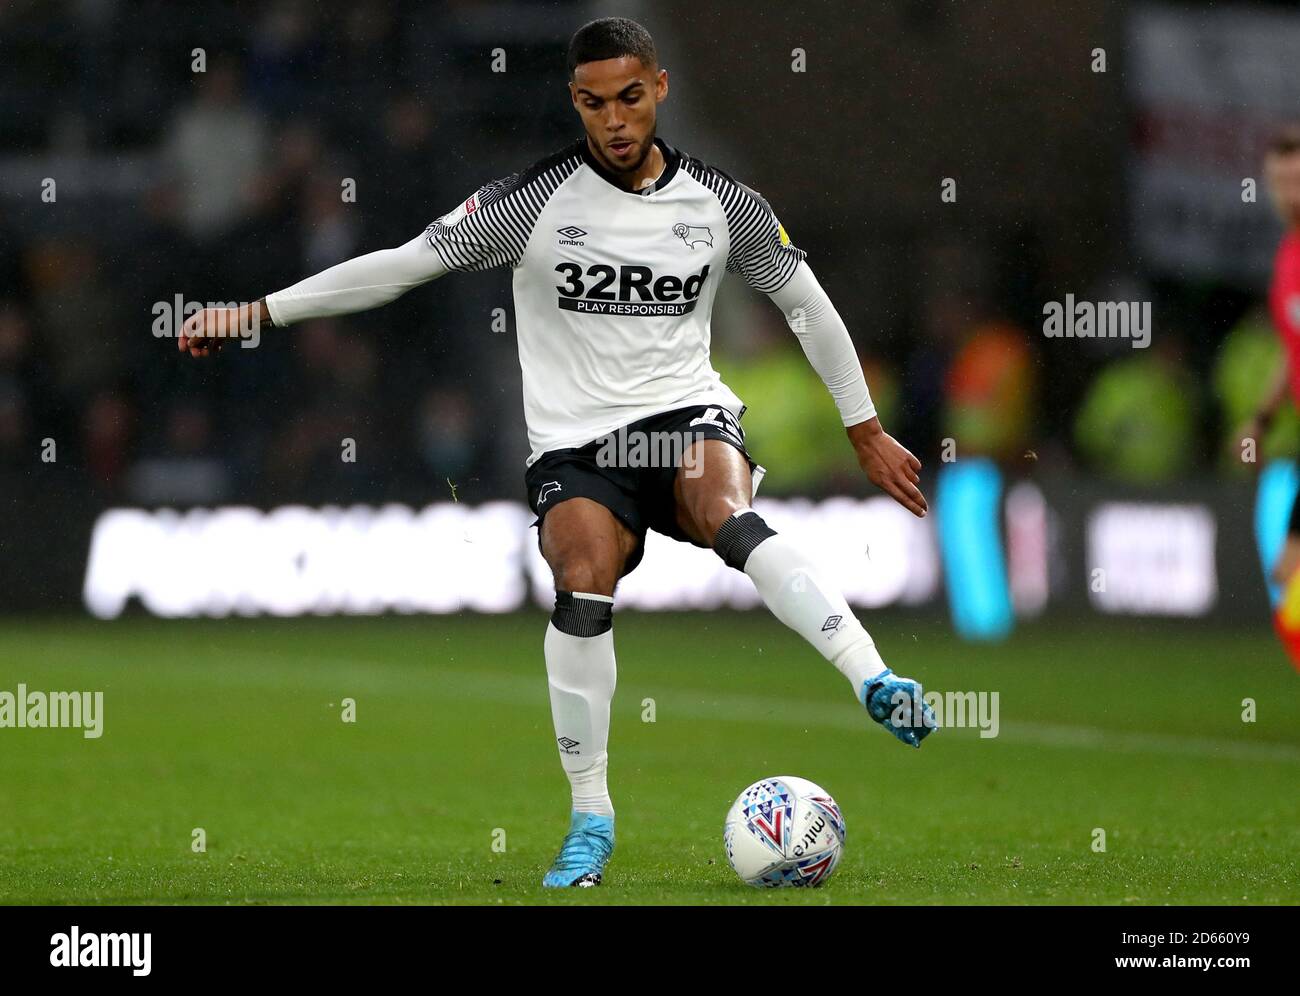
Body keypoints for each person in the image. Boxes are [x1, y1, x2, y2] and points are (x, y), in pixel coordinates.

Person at [177, 17, 936, 889]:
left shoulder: (724, 206)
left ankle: (872, 678)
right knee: (581, 578)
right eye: (592, 102)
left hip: (683, 415)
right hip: (575, 444)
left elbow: (807, 304)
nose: (613, 119)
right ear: (574, 102)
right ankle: (591, 814)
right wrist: (258, 312)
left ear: (659, 88)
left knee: (730, 515)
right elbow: (399, 265)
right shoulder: (531, 203)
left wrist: (865, 427)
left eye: (629, 97)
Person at [1240, 125, 1300, 584]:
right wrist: (1262, 418)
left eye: (1296, 180)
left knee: (1291, 577)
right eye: (1279, 181)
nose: (1286, 192)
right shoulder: (1289, 253)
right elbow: (1292, 347)